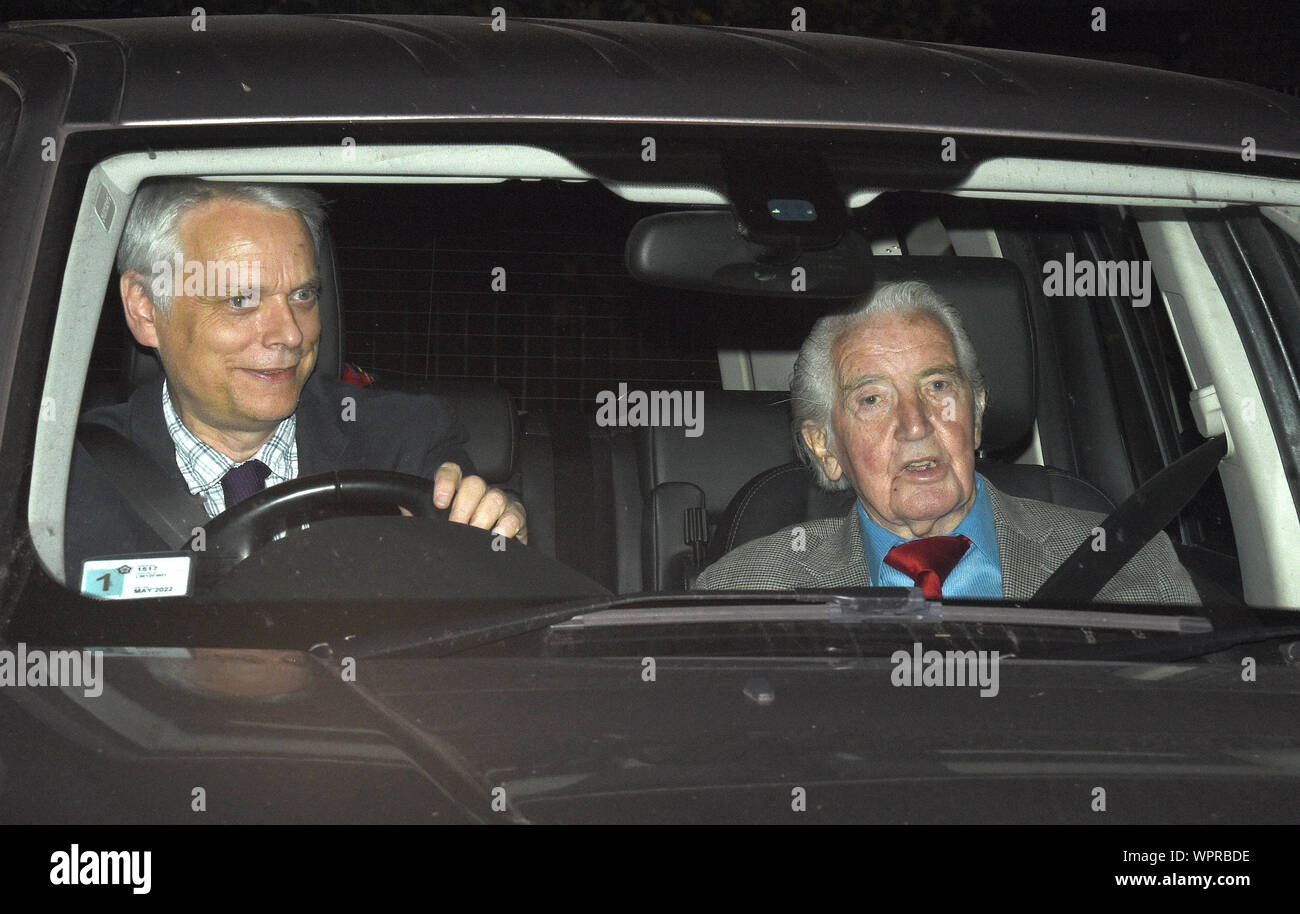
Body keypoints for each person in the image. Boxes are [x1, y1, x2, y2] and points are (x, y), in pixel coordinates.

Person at [64, 179, 525, 582]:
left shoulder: (405, 441)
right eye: (240, 300)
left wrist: (501, 543)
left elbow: (481, 605)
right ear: (145, 308)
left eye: (303, 295)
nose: (291, 333)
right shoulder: (66, 475)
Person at [694, 280, 1199, 604]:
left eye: (938, 387)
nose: (915, 424)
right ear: (826, 448)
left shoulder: (1122, 562)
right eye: (872, 399)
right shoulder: (745, 591)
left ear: (976, 415)